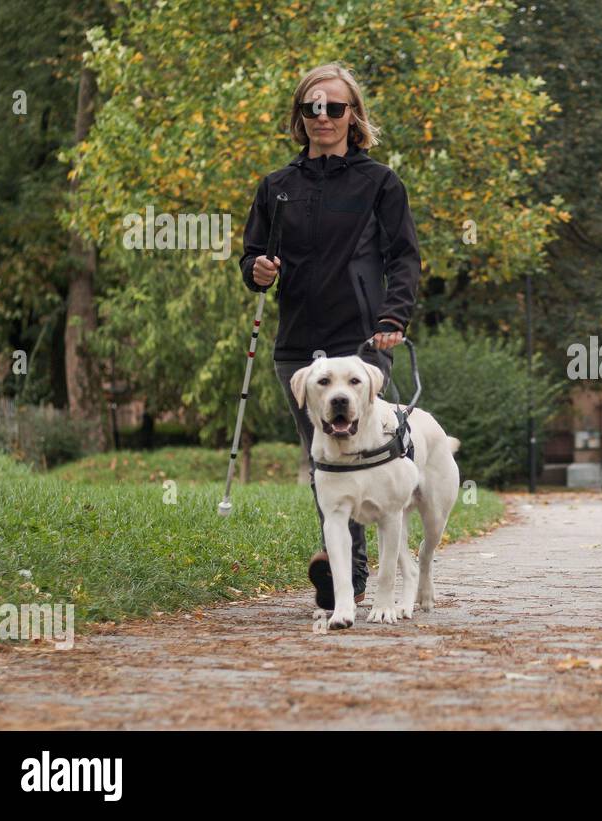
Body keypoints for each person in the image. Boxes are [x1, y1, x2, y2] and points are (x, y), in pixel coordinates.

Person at [239, 63, 422, 610]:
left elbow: (403, 258)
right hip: (298, 345)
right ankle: (348, 569)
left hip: (364, 341)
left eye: (334, 107)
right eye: (312, 108)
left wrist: (393, 319)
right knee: (325, 453)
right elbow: (251, 257)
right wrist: (258, 271)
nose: (323, 117)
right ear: (300, 117)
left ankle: (351, 569)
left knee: (361, 445)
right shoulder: (277, 187)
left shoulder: (380, 183)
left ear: (353, 116)